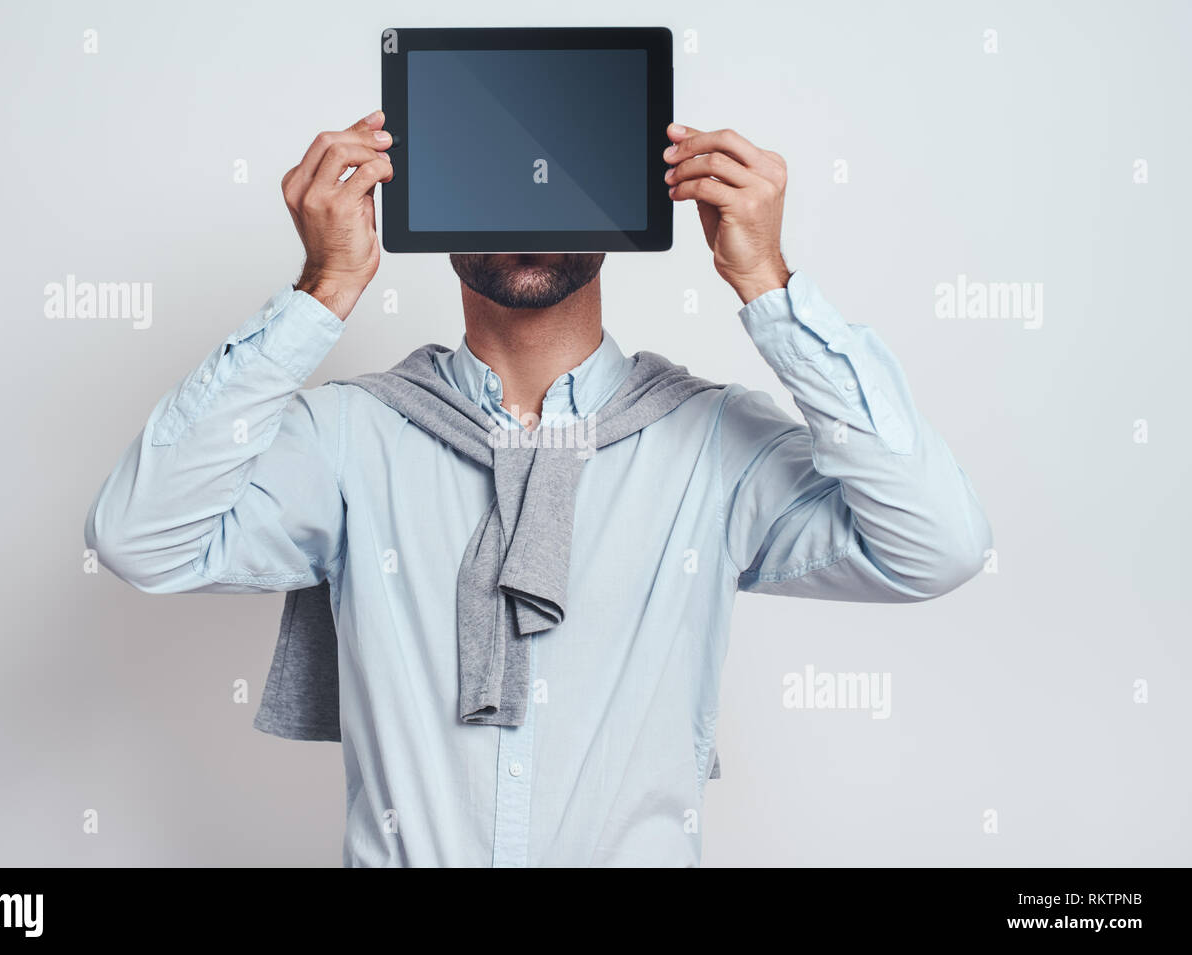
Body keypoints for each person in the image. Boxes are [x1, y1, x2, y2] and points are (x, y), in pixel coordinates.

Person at [84, 110, 992, 866]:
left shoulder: (713, 444)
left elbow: (937, 544)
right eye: (490, 177)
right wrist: (319, 293)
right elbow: (142, 536)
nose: (526, 204)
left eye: (557, 175)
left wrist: (769, 284)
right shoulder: (347, 438)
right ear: (427, 212)